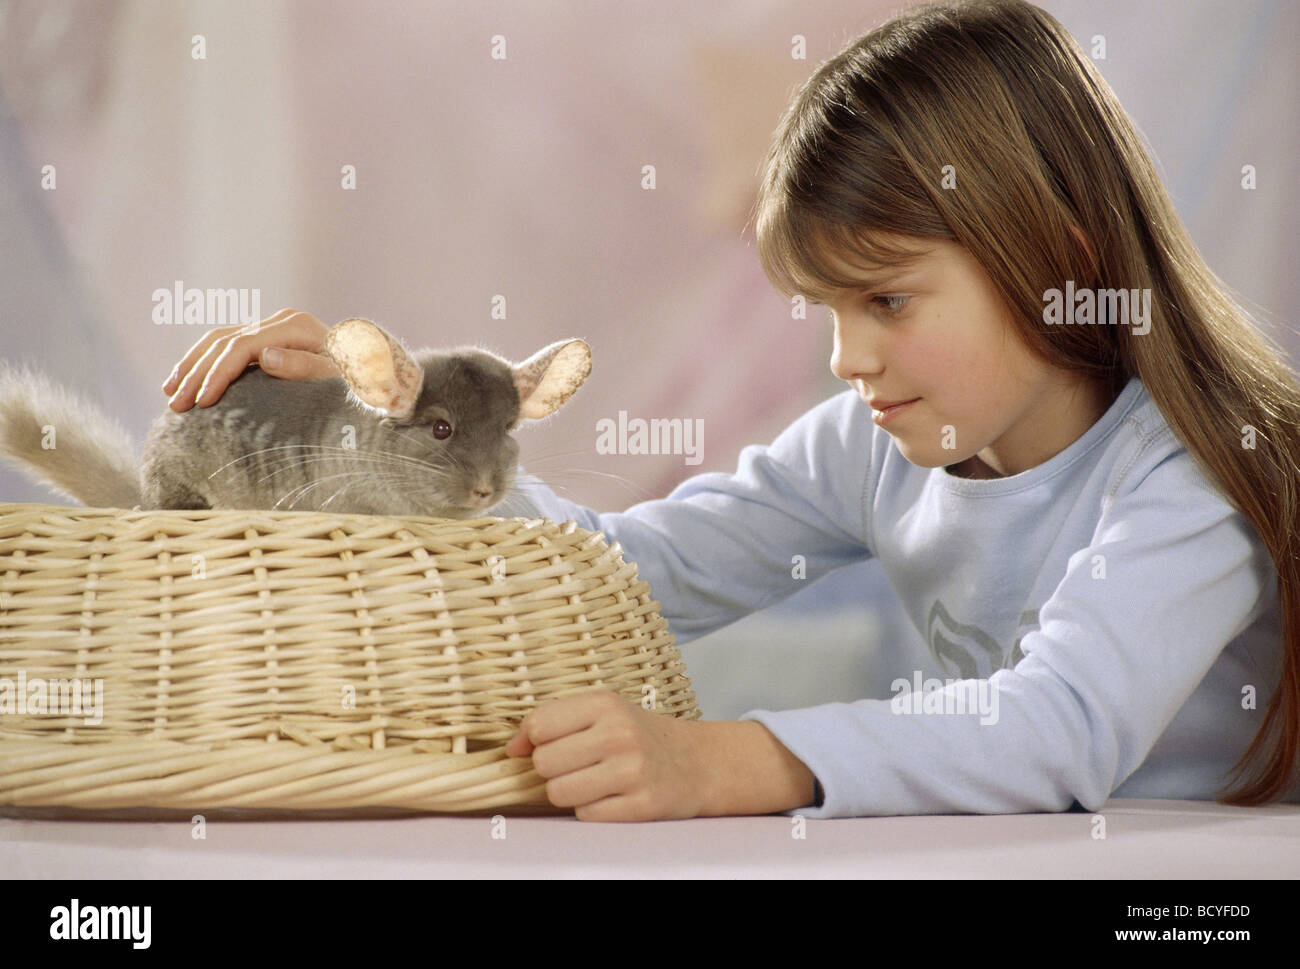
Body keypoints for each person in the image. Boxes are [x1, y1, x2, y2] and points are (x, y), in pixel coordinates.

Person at [160, 0, 1300, 822]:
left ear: (1058, 256)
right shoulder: (873, 446)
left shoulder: (1194, 470)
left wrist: (722, 765)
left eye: (887, 298)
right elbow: (616, 570)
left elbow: (1057, 734)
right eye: (824, 309)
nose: (848, 359)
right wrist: (381, 437)